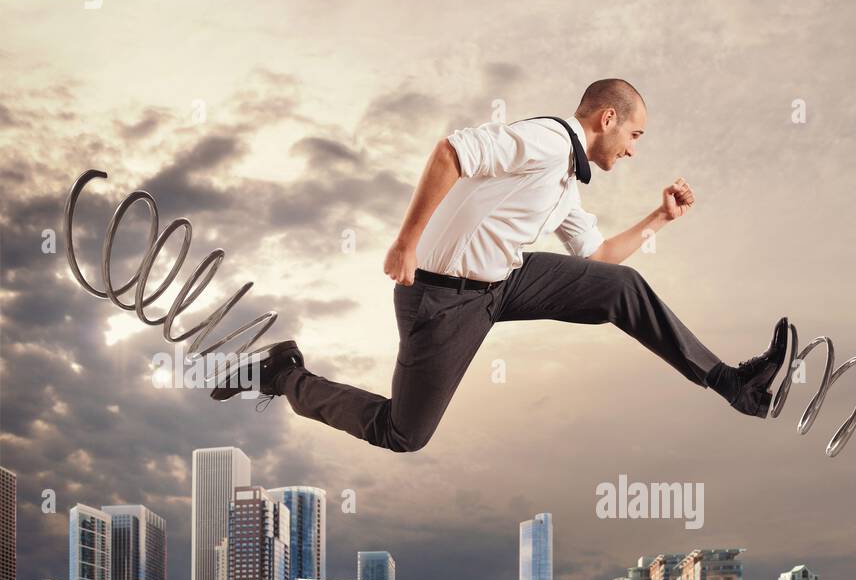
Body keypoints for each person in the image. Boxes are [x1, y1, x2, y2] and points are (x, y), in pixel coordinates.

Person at [212, 77, 791, 448]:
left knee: (620, 287)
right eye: (635, 134)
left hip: (504, 283)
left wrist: (659, 219)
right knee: (404, 433)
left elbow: (598, 257)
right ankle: (285, 374)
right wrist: (406, 242)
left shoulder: (566, 181)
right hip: (440, 297)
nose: (634, 149)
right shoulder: (542, 140)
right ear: (607, 118)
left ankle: (733, 383)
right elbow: (451, 151)